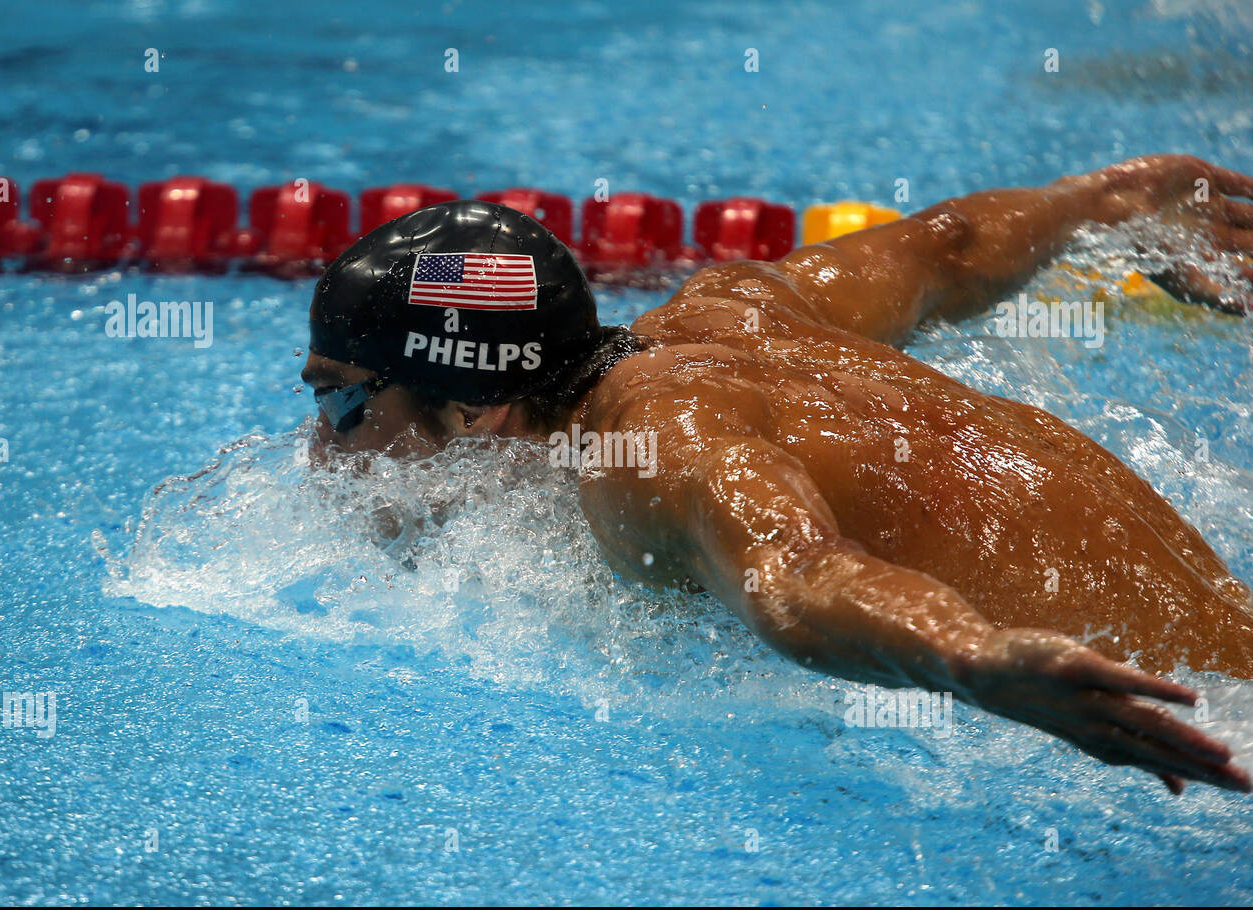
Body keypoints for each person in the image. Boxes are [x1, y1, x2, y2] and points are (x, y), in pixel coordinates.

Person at [302, 154, 1253, 794]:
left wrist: (968, 657)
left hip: (1191, 732)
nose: (319, 453)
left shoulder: (644, 451)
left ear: (476, 406)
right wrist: (1117, 201)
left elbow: (798, 575)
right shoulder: (738, 302)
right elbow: (946, 250)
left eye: (343, 404)